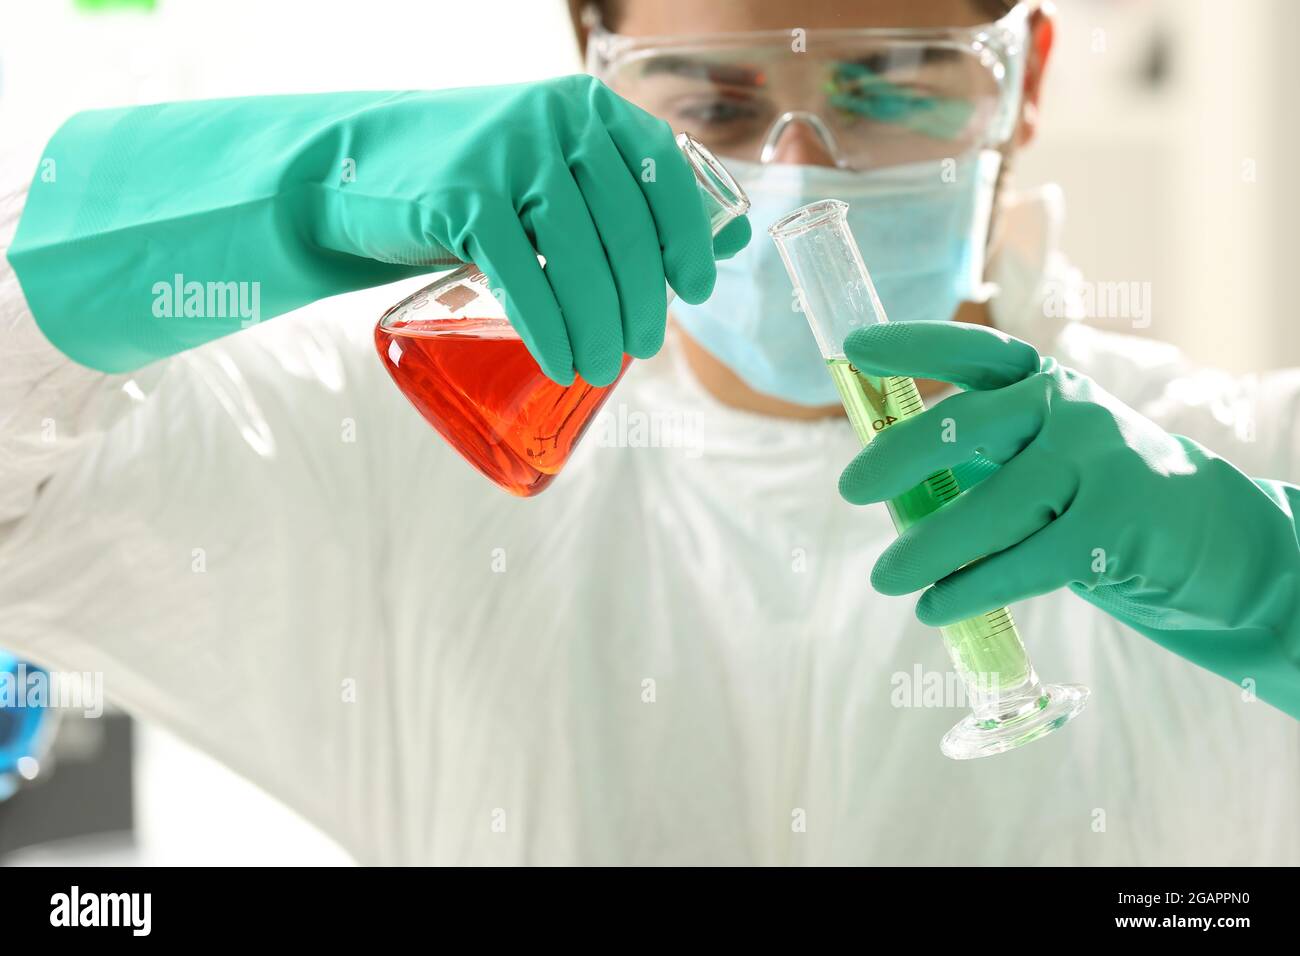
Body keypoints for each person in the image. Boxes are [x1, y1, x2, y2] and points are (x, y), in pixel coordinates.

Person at [0, 0, 1296, 864]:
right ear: (594, 73)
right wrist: (306, 184)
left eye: (891, 88)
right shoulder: (387, 460)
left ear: (1023, 84)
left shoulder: (1225, 475)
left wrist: (1268, 581)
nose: (802, 167)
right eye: (715, 108)